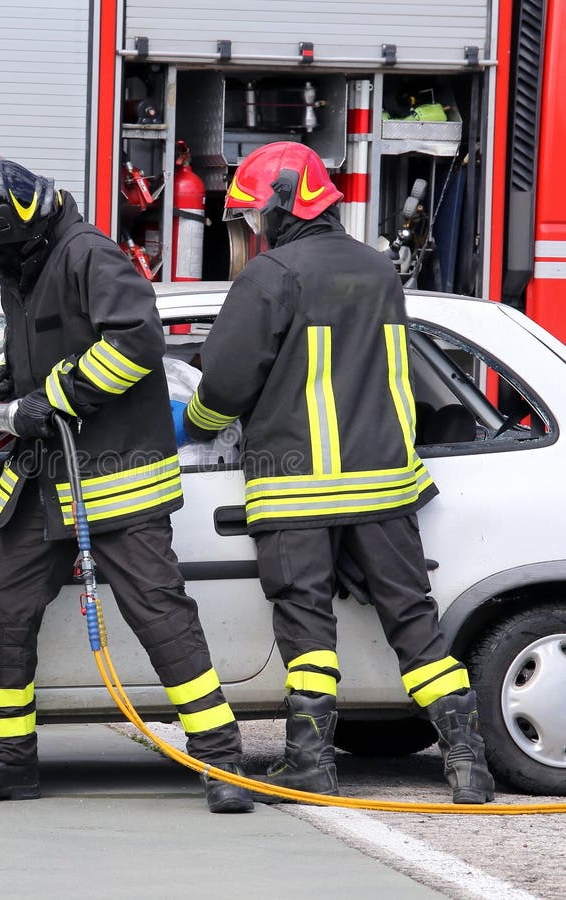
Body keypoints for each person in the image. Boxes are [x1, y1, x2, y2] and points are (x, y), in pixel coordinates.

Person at [179, 141, 494, 805]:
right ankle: (468, 764)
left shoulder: (270, 277)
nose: (250, 229)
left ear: (274, 206)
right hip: (383, 484)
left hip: (296, 488)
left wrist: (200, 426)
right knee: (413, 620)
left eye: (251, 217)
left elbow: (226, 383)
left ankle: (309, 765)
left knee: (306, 626)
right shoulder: (378, 272)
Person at [0, 157, 252, 814]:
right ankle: (7, 762)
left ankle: (222, 759)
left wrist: (54, 399)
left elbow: (135, 342)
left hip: (117, 479)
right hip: (45, 481)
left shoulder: (87, 254)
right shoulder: (23, 271)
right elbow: (43, 360)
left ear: (15, 228)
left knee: (159, 616)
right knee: (4, 611)